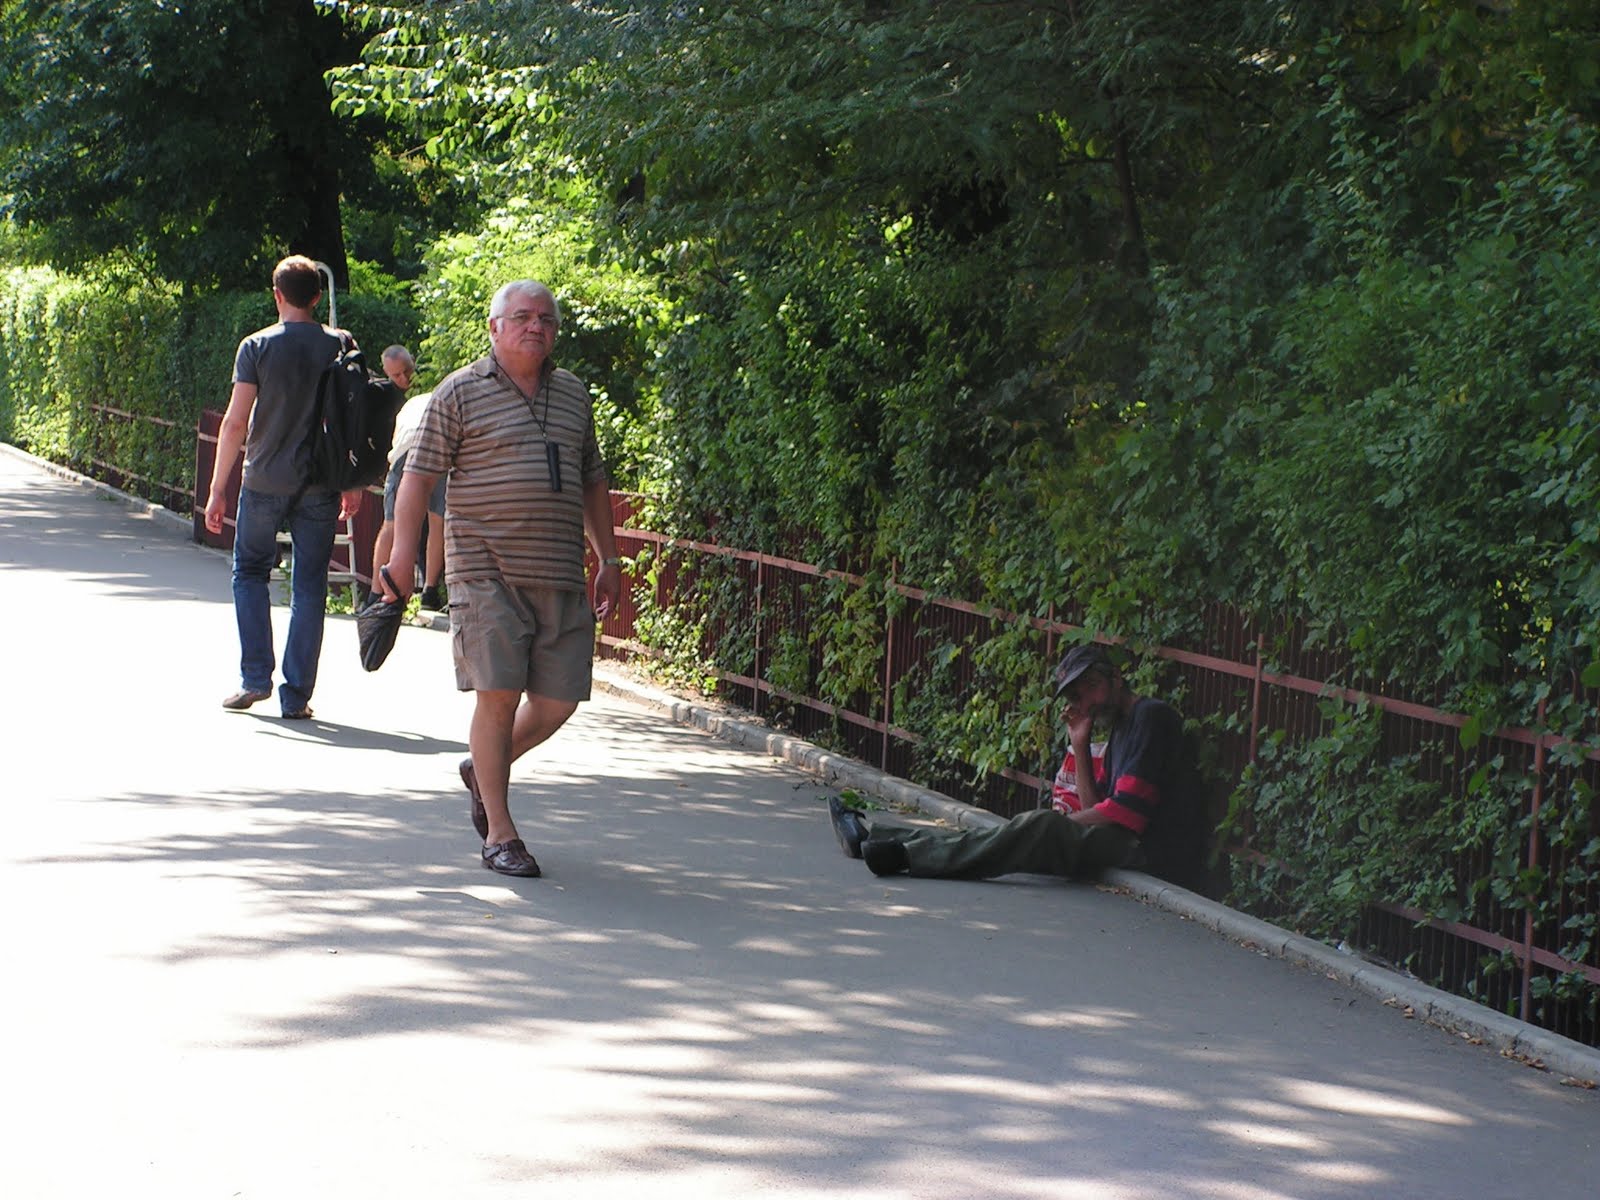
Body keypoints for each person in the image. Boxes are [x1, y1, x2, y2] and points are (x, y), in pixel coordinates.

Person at [379, 280, 623, 878]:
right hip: (483, 569)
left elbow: (592, 480)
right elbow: (416, 479)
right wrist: (404, 557)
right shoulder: (459, 392)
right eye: (521, 317)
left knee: (559, 701)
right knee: (499, 693)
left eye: (545, 318)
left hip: (559, 567)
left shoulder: (572, 394)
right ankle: (502, 834)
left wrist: (609, 559)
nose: (534, 326)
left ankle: (481, 768)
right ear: (494, 327)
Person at [829, 644, 1206, 888]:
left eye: (1091, 687)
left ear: (1116, 678)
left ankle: (901, 852)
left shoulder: (1151, 718)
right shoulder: (1121, 728)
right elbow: (1098, 806)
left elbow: (1128, 814)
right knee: (1028, 829)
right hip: (1126, 840)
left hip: (1153, 851)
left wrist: (1058, 825)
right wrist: (1080, 743)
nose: (1086, 700)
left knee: (1036, 826)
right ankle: (883, 840)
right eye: (1077, 696)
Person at [204, 255, 366, 720]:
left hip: (263, 479)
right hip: (320, 483)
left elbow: (236, 422)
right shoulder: (340, 344)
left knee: (250, 573)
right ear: (317, 297)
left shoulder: (255, 347)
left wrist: (218, 489)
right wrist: (352, 480)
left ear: (277, 295)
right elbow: (353, 416)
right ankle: (296, 696)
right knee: (309, 587)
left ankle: (255, 678)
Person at [368, 348, 448, 611]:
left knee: (391, 524)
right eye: (397, 375)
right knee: (438, 523)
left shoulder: (407, 404)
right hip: (438, 448)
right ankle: (429, 592)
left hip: (404, 453)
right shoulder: (445, 396)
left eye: (407, 372)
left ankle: (375, 593)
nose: (404, 379)